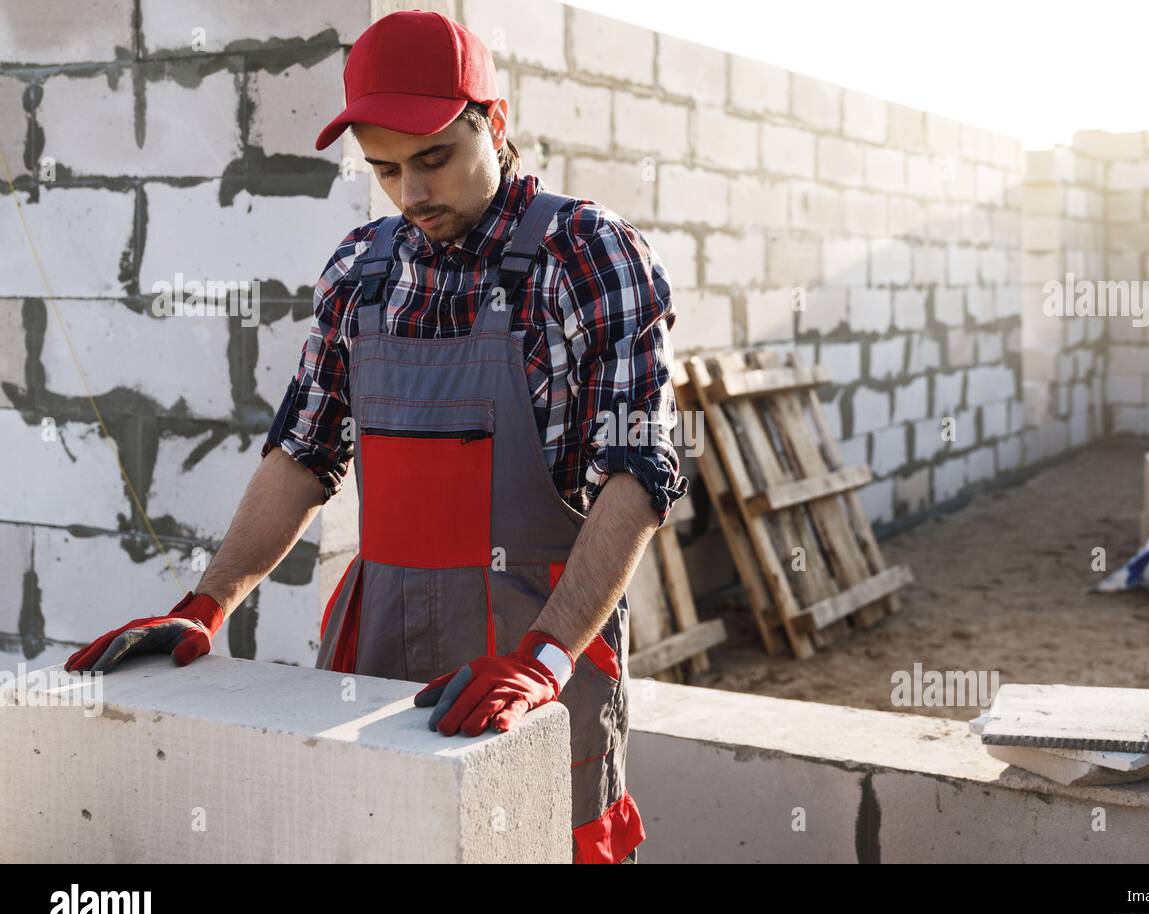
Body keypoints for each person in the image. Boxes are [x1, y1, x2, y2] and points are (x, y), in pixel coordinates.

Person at [65, 10, 689, 865]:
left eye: (434, 158)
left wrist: (544, 660)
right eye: (386, 169)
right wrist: (205, 608)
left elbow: (641, 474)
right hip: (378, 657)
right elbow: (302, 454)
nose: (412, 194)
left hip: (536, 657)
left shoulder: (591, 256)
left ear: (494, 125)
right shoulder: (362, 272)